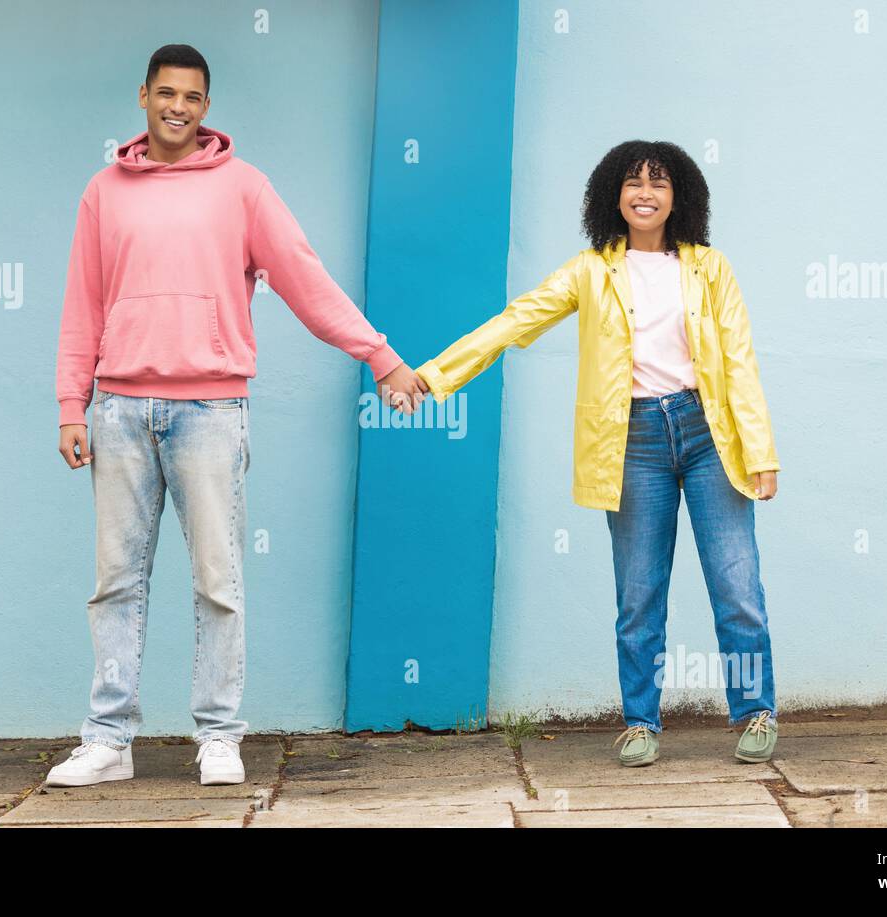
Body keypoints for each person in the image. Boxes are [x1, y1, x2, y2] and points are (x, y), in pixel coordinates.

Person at [49, 44, 427, 788]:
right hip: (120, 410)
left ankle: (219, 735)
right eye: (166, 93)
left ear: (206, 107)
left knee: (218, 580)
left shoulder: (244, 188)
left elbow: (304, 278)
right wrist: (72, 403)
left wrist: (378, 354)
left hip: (211, 410)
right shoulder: (103, 192)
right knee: (115, 583)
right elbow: (82, 305)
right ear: (143, 97)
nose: (177, 107)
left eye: (192, 97)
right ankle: (108, 740)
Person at [414, 141, 780, 767]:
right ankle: (640, 722)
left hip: (709, 434)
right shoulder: (590, 269)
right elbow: (517, 320)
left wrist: (761, 451)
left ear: (679, 197)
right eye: (633, 182)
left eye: (659, 183)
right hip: (631, 441)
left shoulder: (709, 268)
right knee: (638, 594)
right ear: (612, 194)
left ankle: (755, 711)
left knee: (737, 584)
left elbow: (740, 362)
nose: (645, 192)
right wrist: (435, 376)